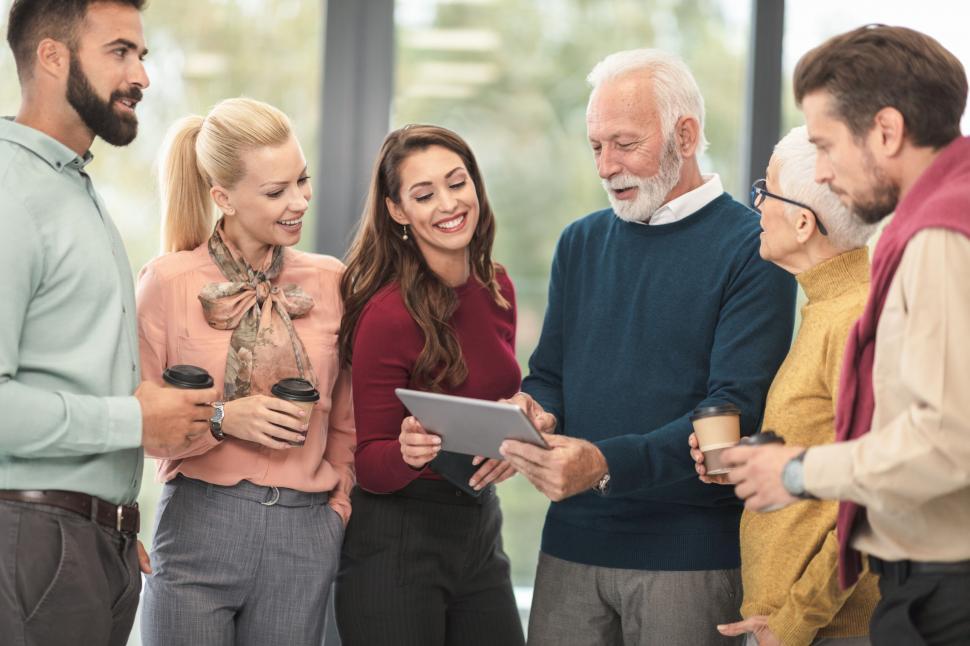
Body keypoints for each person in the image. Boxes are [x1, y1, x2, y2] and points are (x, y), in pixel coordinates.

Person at [499, 49, 796, 646]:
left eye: (624, 143)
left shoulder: (752, 249)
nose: (606, 166)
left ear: (685, 136)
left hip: (689, 558)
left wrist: (603, 464)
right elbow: (548, 373)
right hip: (569, 549)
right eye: (595, 146)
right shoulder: (579, 242)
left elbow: (734, 410)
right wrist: (535, 408)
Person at [723, 25, 970, 646]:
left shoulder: (940, 235)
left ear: (886, 131)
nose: (823, 175)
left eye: (826, 147)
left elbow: (947, 439)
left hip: (941, 591)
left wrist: (798, 470)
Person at [0, 1, 218, 644]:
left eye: (142, 55)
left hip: (87, 544)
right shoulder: (10, 193)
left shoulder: (70, 188)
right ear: (51, 56)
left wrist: (109, 528)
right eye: (120, 51)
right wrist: (136, 420)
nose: (142, 76)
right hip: (33, 539)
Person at [136, 97, 355, 646]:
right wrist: (220, 417)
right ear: (223, 197)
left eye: (302, 180)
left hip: (305, 531)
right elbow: (133, 416)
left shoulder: (332, 281)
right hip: (198, 524)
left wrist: (338, 507)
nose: (300, 201)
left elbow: (349, 417)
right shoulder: (167, 282)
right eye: (277, 191)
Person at [334, 124, 526, 646]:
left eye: (456, 182)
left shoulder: (498, 286)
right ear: (398, 211)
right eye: (424, 194)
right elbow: (370, 462)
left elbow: (497, 393)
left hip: (480, 528)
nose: (448, 204)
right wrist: (407, 452)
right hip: (397, 542)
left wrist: (515, 437)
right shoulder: (387, 315)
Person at [689, 126, 880, 646]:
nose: (755, 205)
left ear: (802, 222)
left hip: (820, 631)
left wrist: (794, 622)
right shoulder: (826, 308)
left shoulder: (852, 322)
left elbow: (871, 498)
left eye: (764, 191)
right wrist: (754, 467)